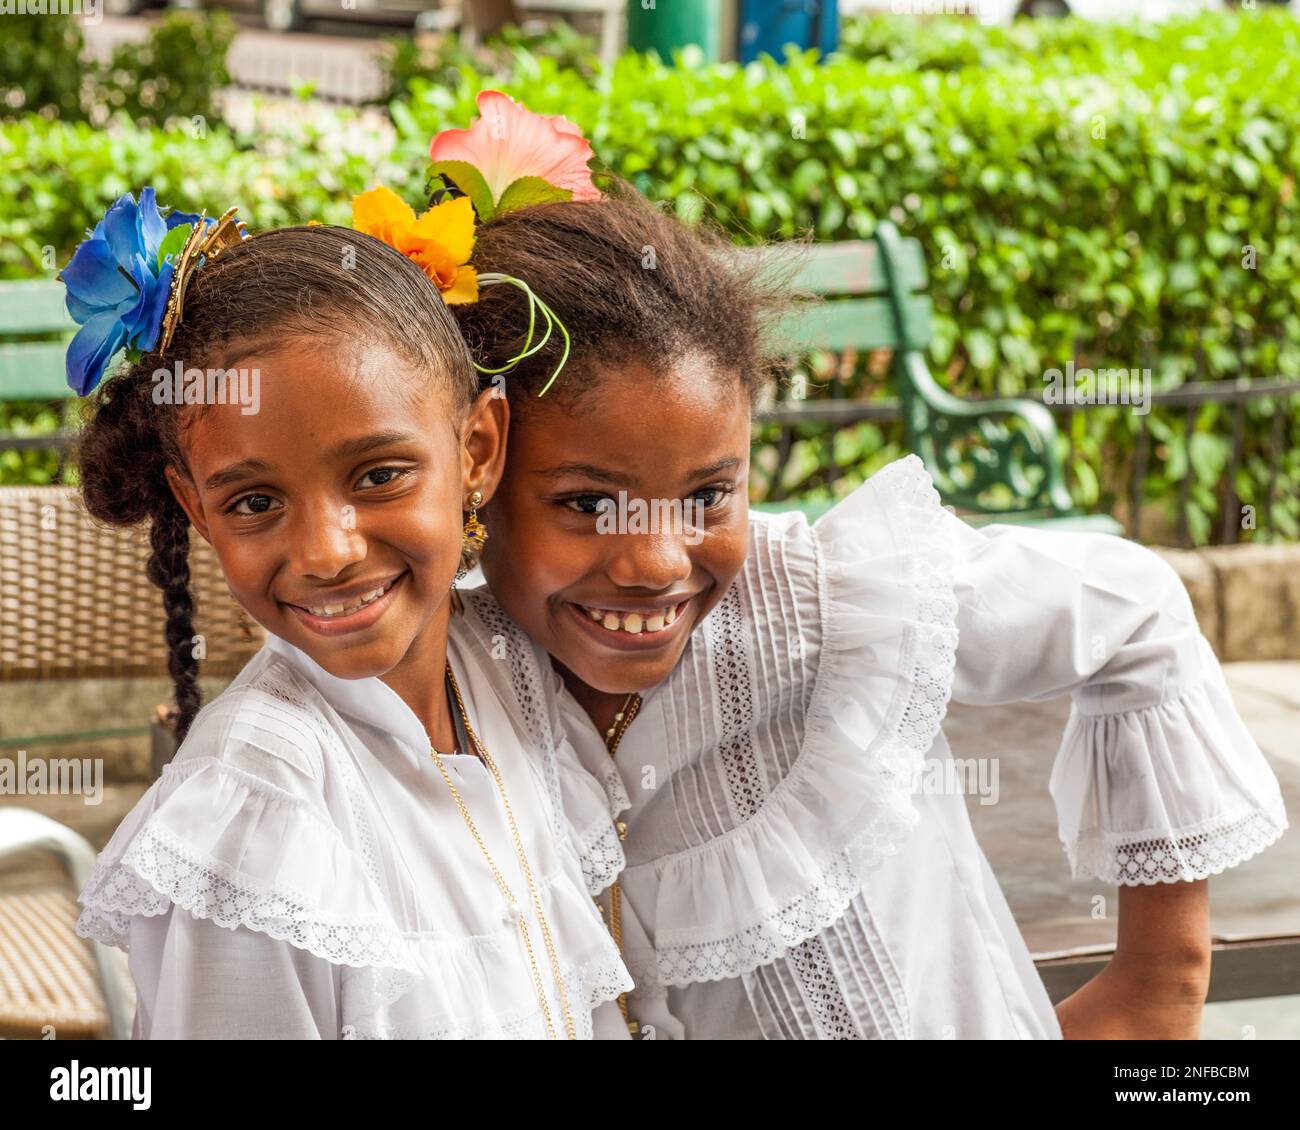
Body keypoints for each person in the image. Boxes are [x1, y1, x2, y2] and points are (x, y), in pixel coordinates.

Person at [438, 155, 1289, 1038]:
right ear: (479, 465)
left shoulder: (835, 604)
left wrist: (1161, 981)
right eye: (588, 503)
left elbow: (1135, 609)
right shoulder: (459, 670)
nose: (656, 561)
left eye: (708, 496)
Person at [65, 189, 633, 1038]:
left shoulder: (507, 674)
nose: (327, 551)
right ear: (194, 505)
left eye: (377, 476)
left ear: (476, 450)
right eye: (255, 500)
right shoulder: (258, 818)